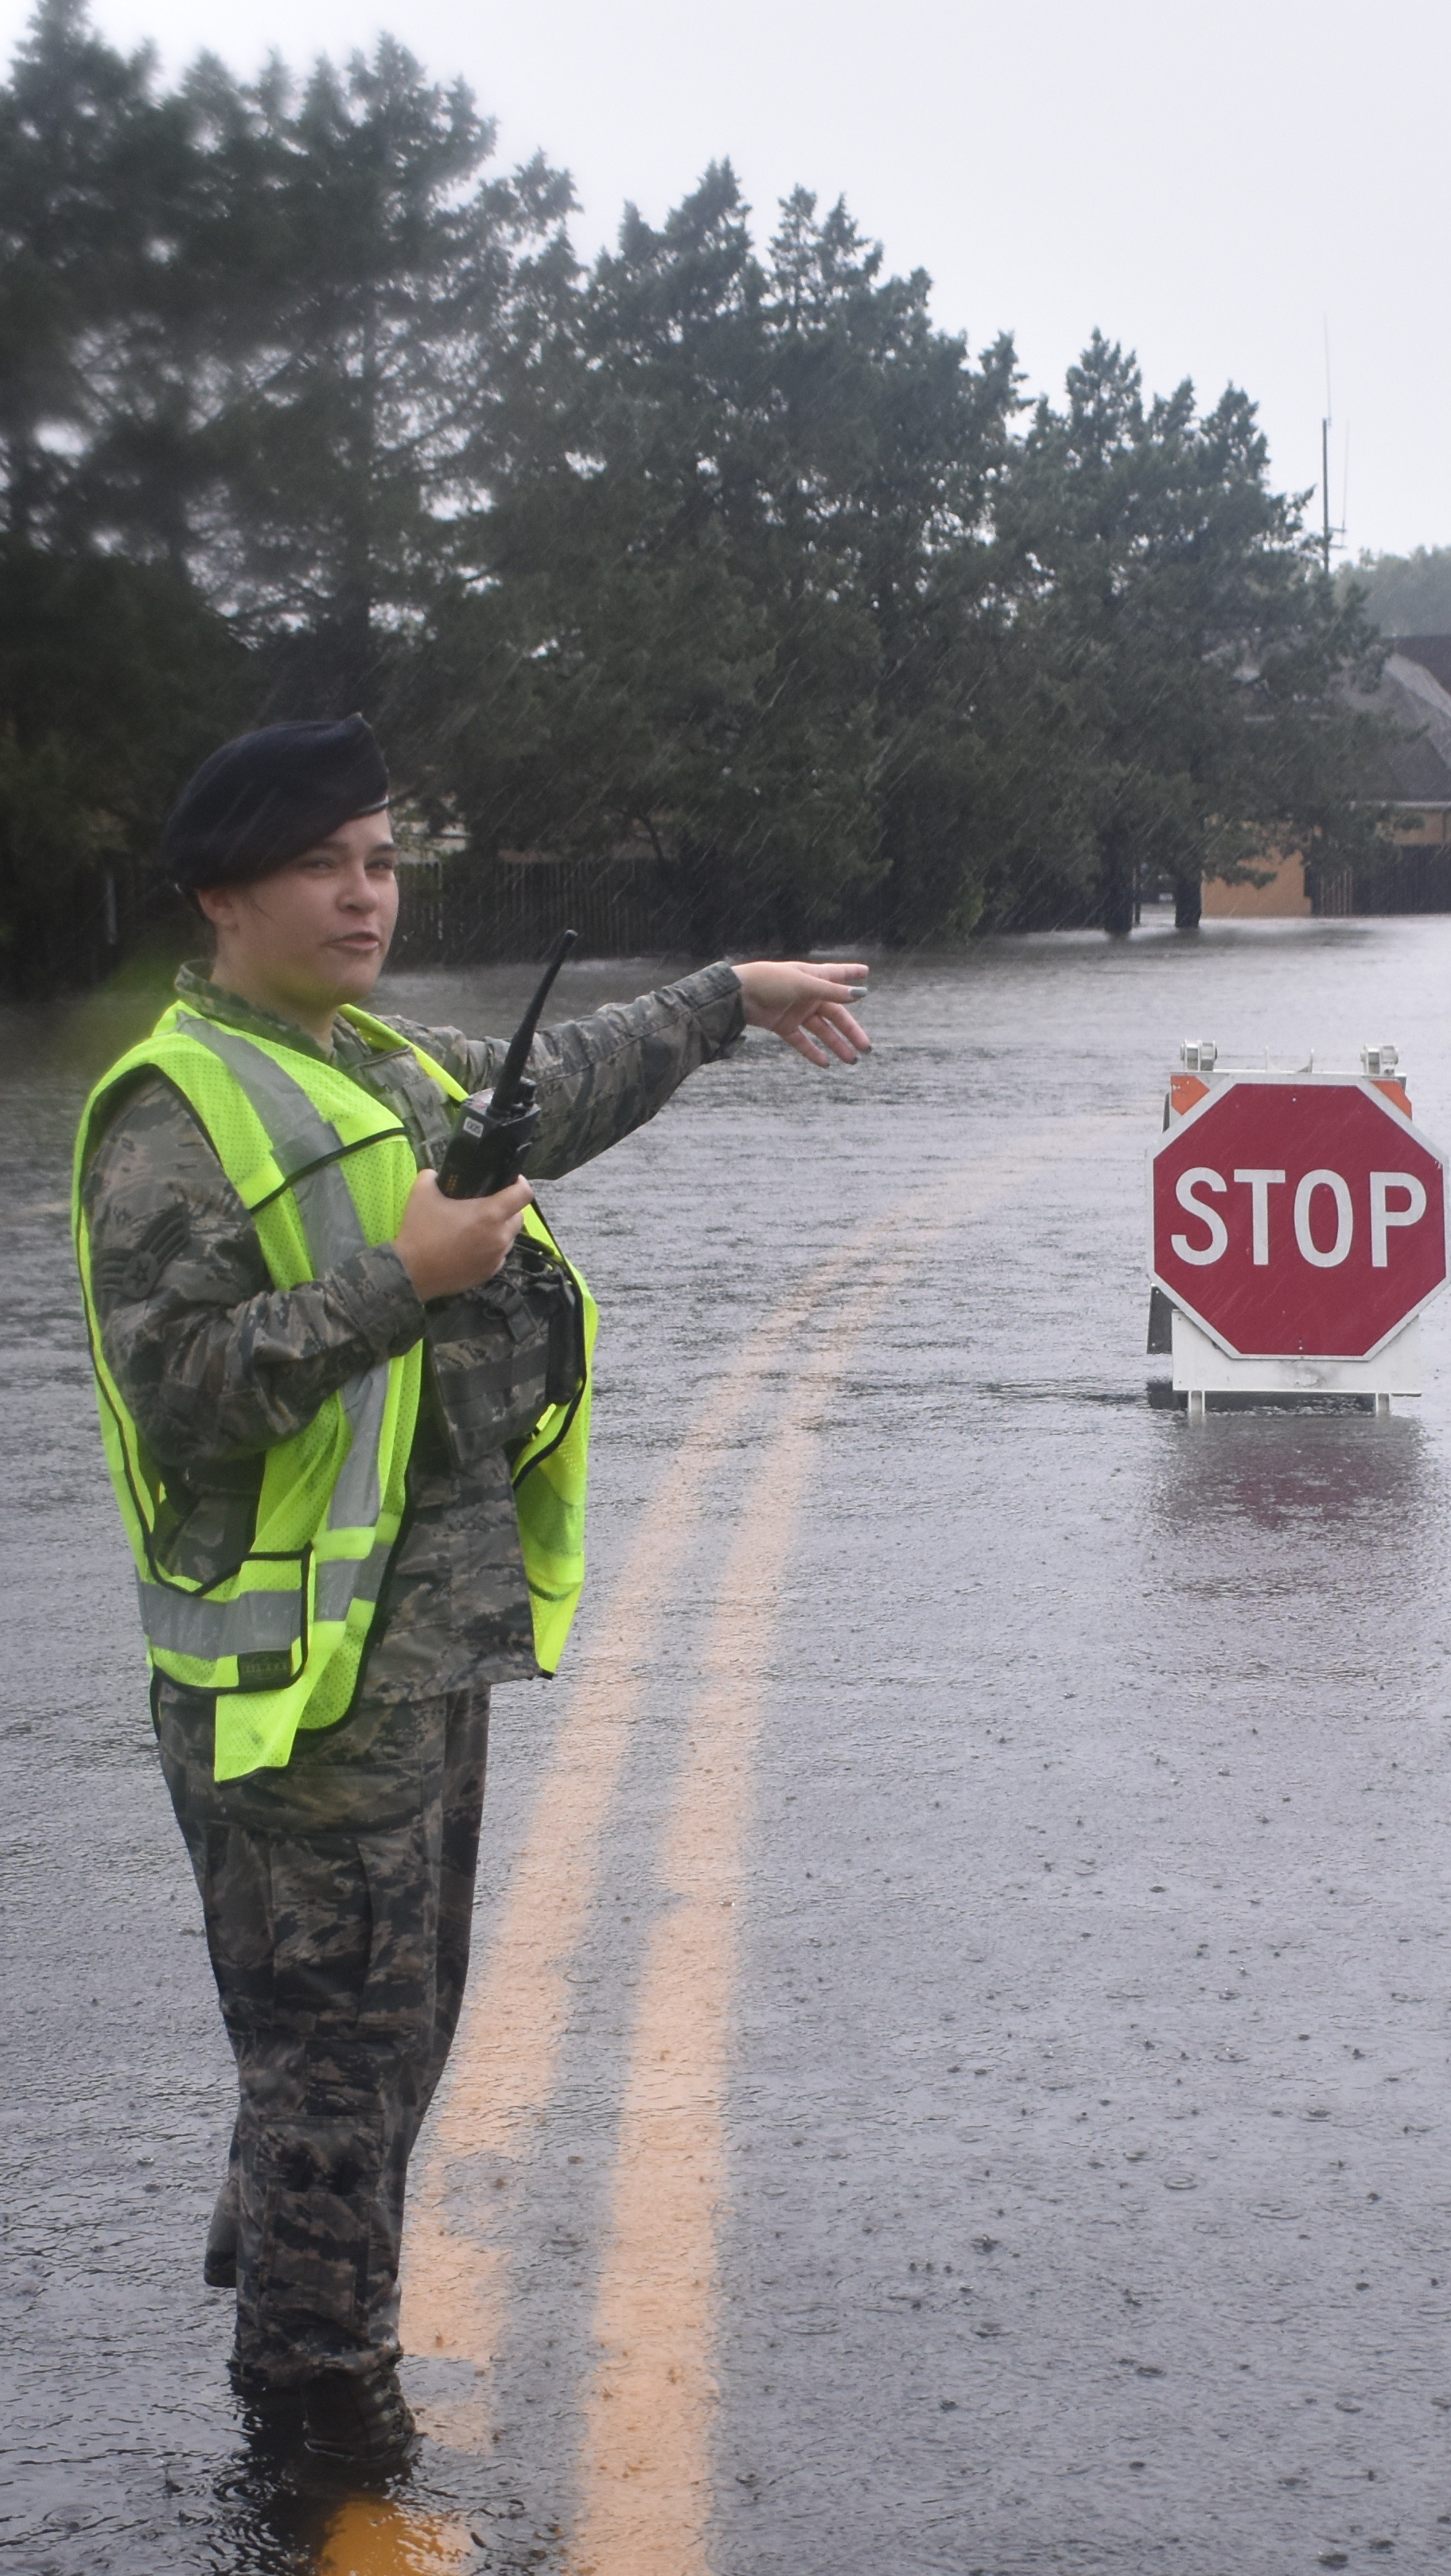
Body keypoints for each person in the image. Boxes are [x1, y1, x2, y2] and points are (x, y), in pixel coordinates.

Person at [71, 718, 873, 2476]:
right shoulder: (179, 1113)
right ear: (223, 893)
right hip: (297, 1691)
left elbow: (553, 1084)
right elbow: (184, 1387)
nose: (364, 893)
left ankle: (286, 2226)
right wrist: (398, 1282)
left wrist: (726, 995)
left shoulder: (356, 1058)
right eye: (322, 863)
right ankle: (315, 2404)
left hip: (408, 1649)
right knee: (344, 2055)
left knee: (385, 2031)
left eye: (379, 857)